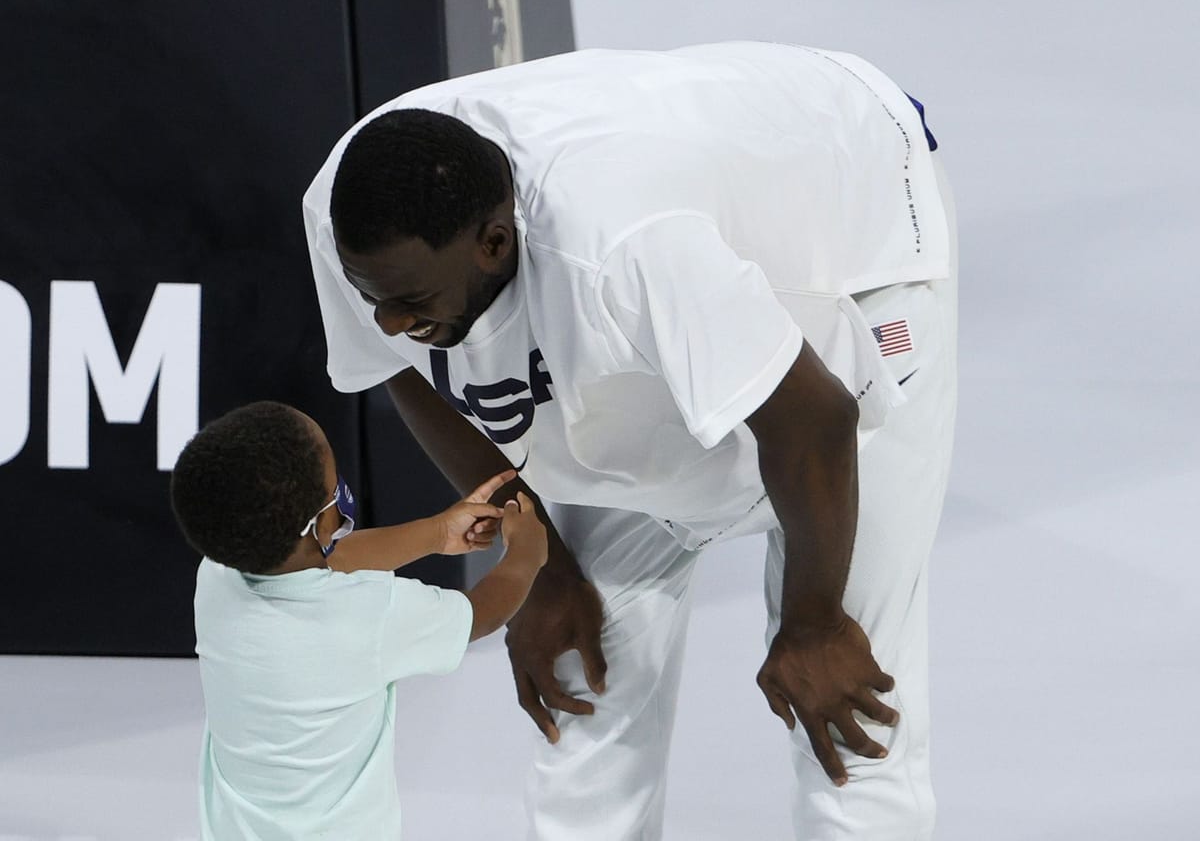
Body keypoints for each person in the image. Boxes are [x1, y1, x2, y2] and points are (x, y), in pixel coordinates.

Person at [303, 41, 957, 841]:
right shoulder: (352, 217)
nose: (390, 321)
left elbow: (813, 420)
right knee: (587, 679)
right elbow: (397, 367)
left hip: (848, 238)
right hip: (661, 296)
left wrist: (813, 619)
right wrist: (536, 563)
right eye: (375, 298)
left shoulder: (625, 245)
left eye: (409, 301)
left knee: (849, 708)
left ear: (494, 243)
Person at [169, 400, 547, 840]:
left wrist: (438, 533)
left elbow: (329, 559)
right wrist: (527, 552)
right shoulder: (368, 616)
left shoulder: (217, 577)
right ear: (323, 520)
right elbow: (480, 614)